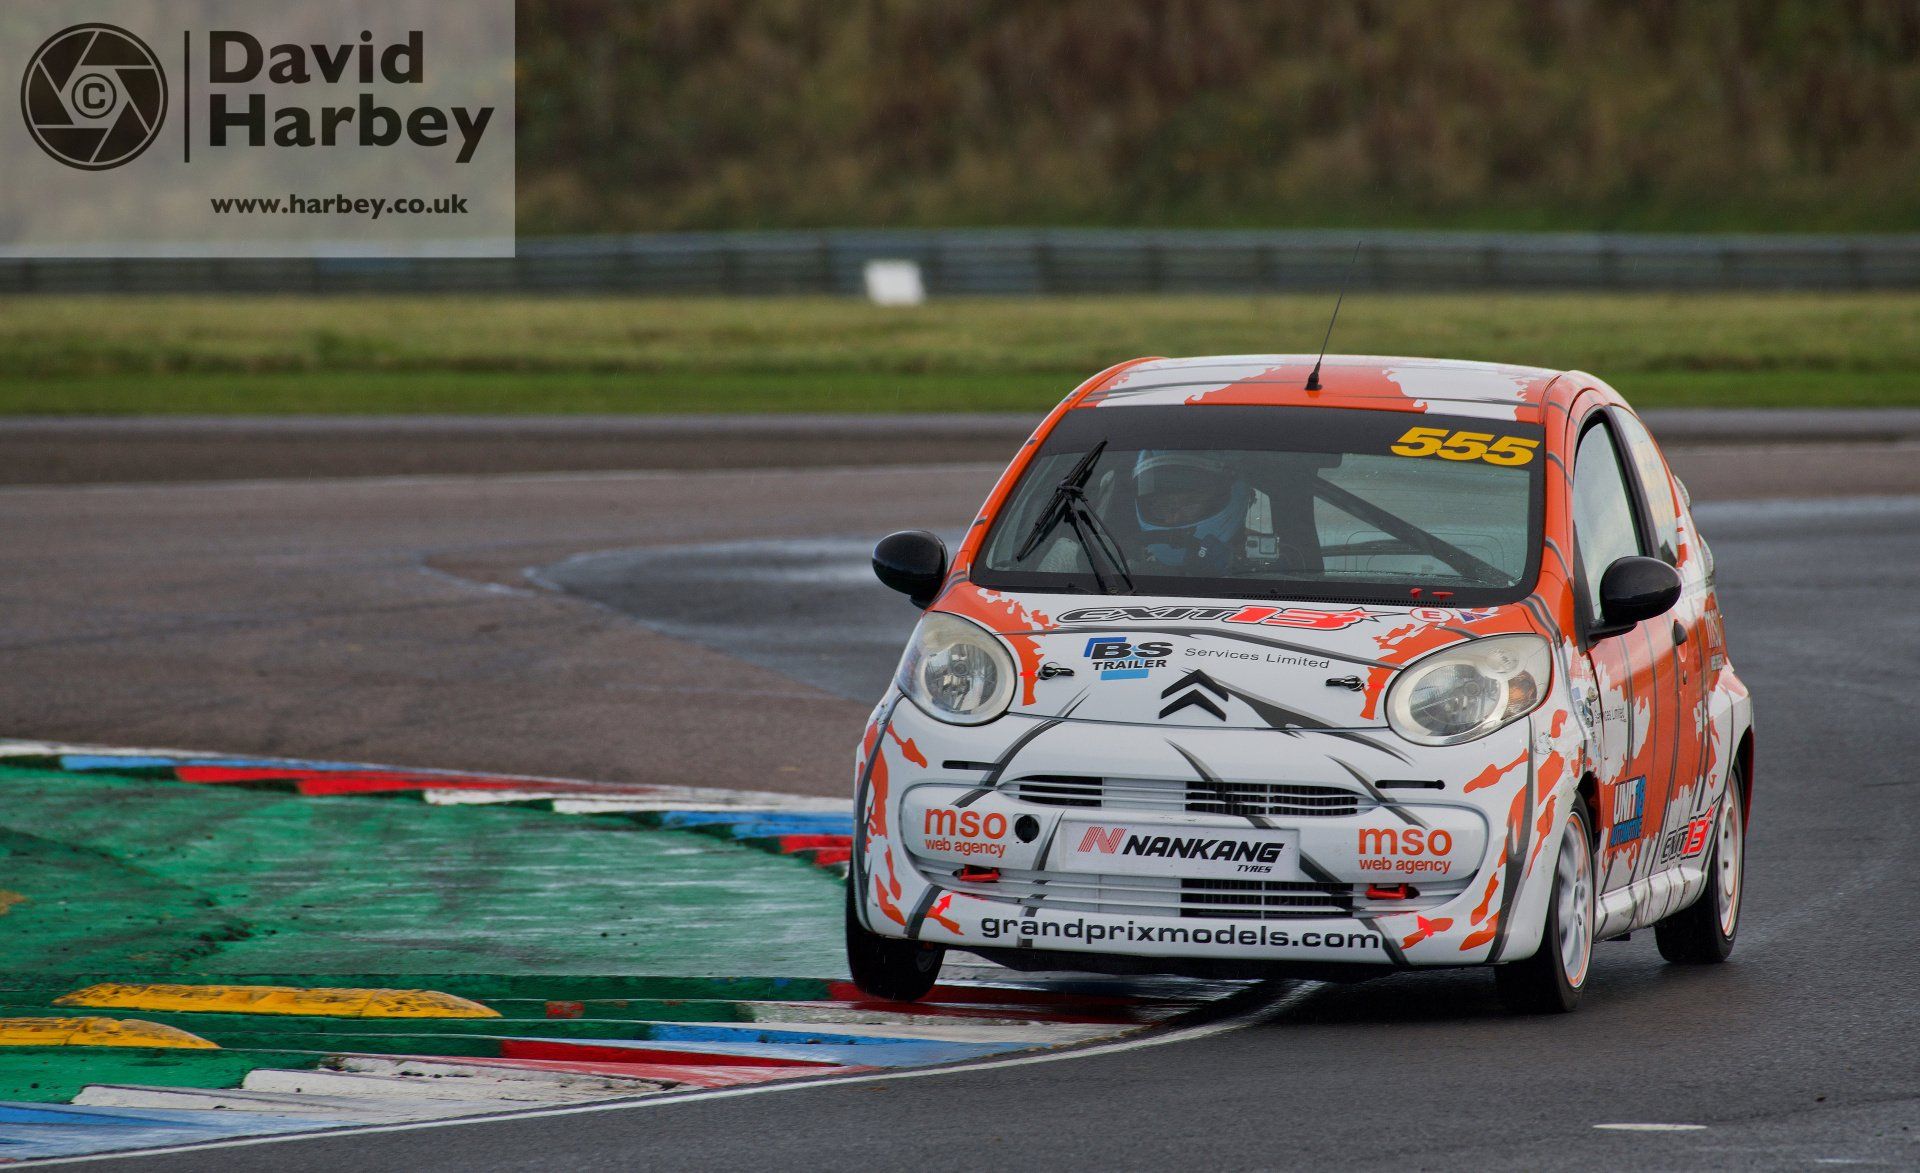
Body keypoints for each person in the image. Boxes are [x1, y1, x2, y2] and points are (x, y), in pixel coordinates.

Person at [1130, 450, 1252, 571]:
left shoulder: (1254, 570)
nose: (1175, 518)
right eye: (1163, 506)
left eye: (1190, 504)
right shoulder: (1129, 573)